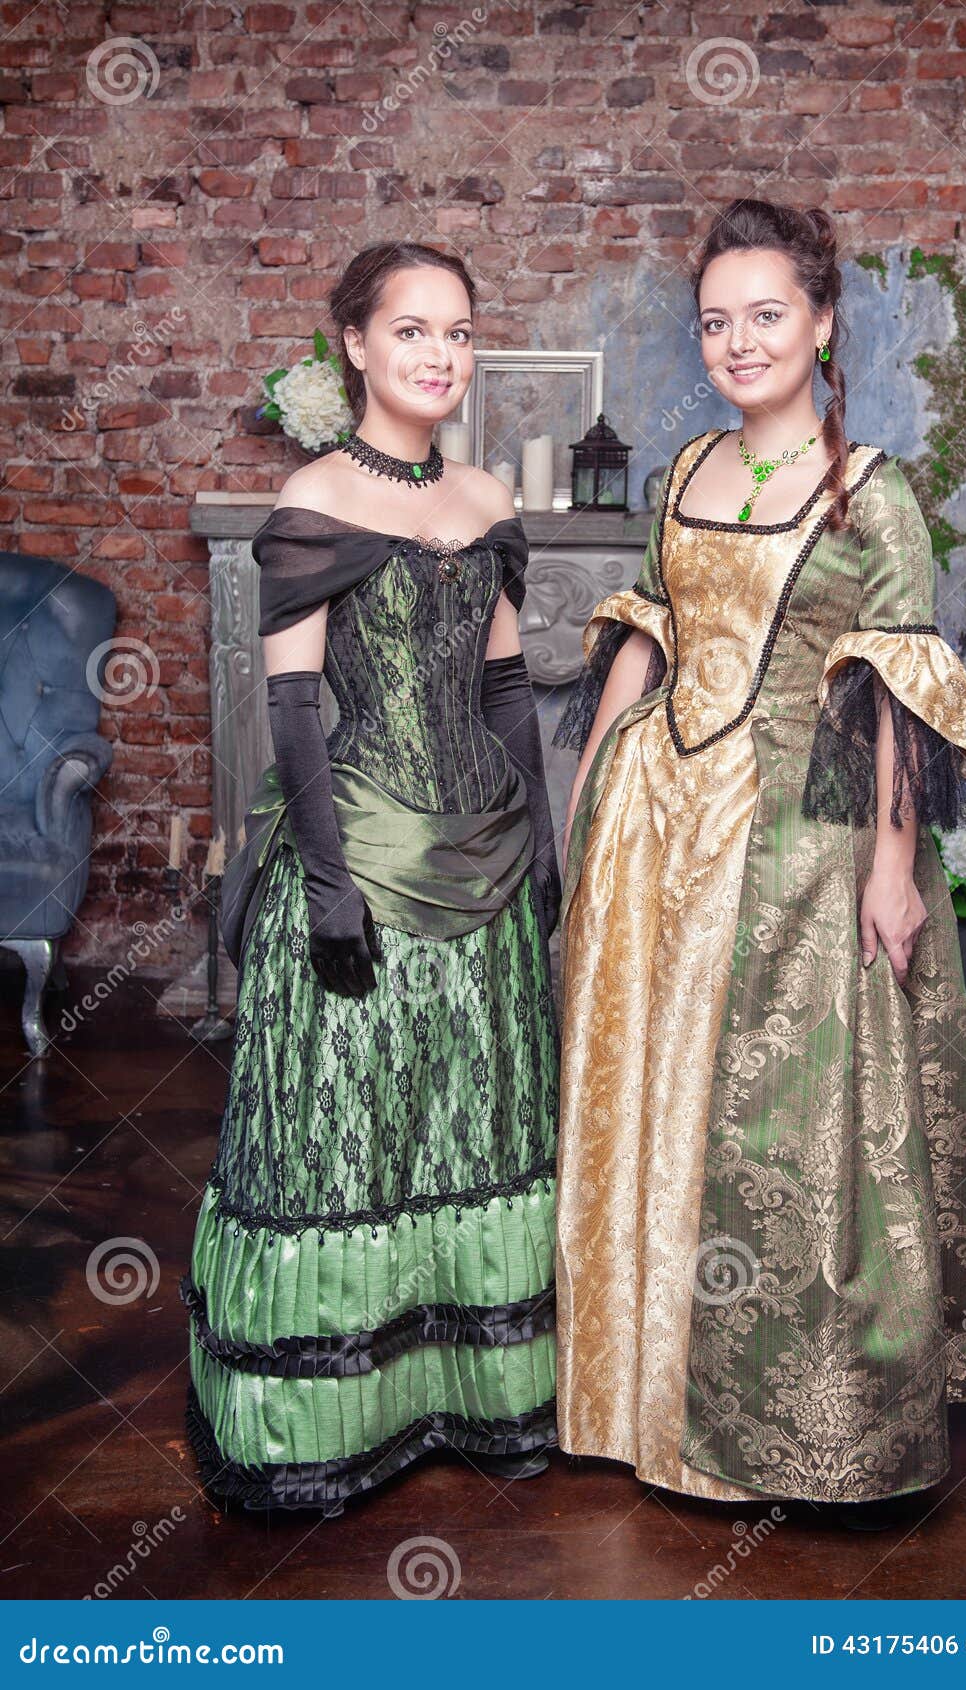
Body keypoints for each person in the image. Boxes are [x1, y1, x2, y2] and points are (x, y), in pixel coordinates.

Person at [552, 198, 966, 1520]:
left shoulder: (873, 487)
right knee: (650, 1092)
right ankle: (630, 1399)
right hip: (663, 826)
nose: (740, 340)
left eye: (768, 314)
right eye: (717, 319)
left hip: (802, 838)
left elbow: (889, 679)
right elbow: (645, 627)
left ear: (822, 322)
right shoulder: (686, 469)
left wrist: (889, 859)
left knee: (788, 1122)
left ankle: (782, 1420)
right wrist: (589, 789)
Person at [181, 242, 561, 1514]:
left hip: (486, 857)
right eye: (411, 331)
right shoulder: (315, 496)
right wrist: (329, 886)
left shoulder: (485, 493)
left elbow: (505, 687)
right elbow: (292, 708)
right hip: (359, 852)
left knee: (467, 1118)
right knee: (352, 1139)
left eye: (457, 332)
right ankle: (326, 1417)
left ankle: (468, 1395)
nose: (438, 355)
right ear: (354, 342)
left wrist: (544, 842)